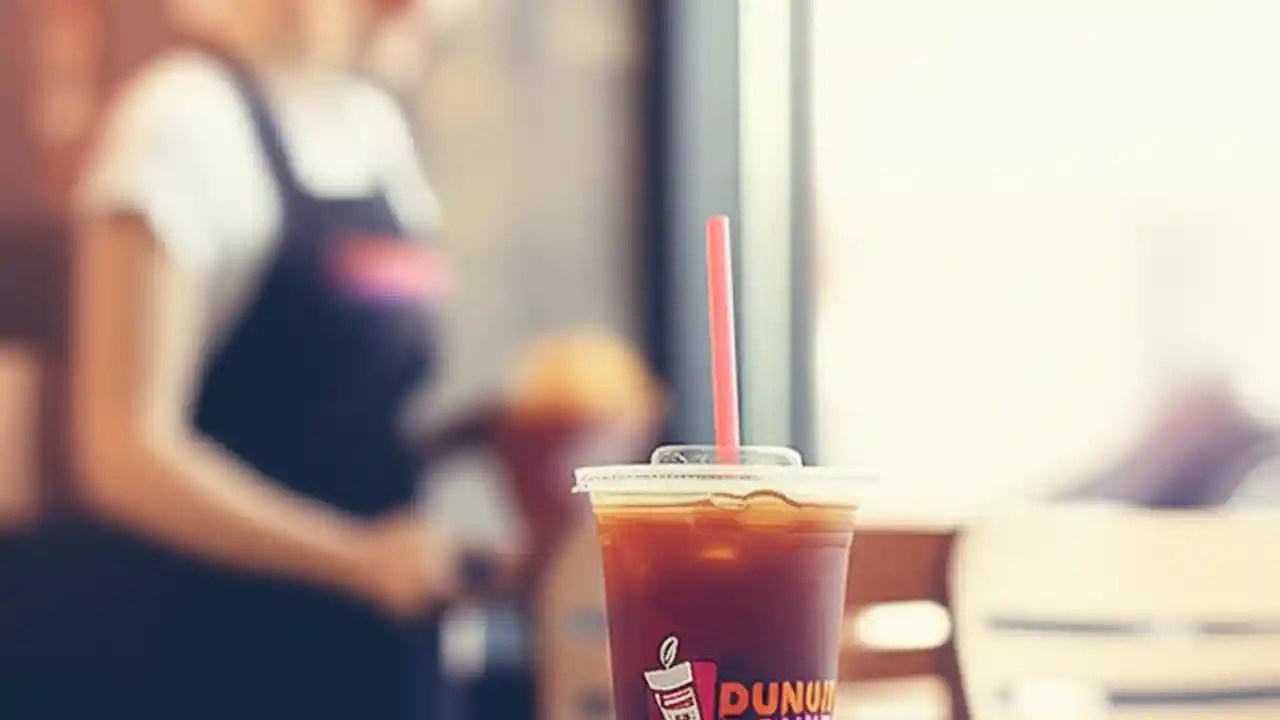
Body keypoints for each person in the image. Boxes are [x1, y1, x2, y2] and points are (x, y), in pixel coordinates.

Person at [11, 0, 468, 717]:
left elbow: (349, 414)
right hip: (220, 653)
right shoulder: (181, 121)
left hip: (373, 654)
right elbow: (124, 453)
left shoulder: (371, 125)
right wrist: (356, 558)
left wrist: (490, 439)